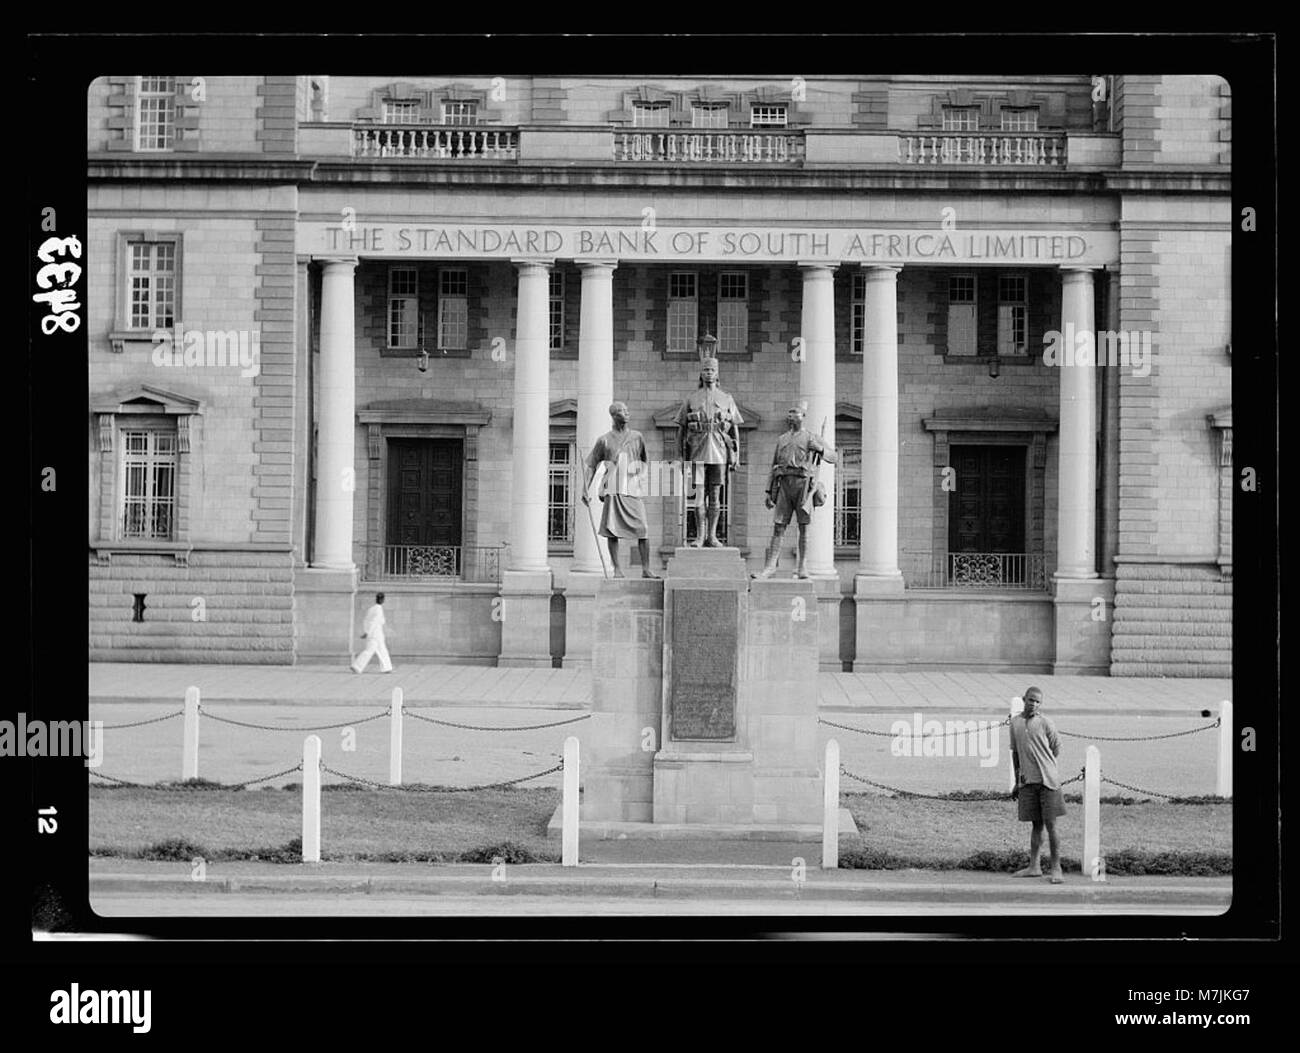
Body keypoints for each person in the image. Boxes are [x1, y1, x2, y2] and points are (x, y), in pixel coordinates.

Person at [754, 402, 837, 579]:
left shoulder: (811, 437)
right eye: (790, 413)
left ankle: (802, 567)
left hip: (803, 485)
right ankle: (770, 567)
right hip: (784, 484)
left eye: (795, 413)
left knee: (804, 528)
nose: (791, 415)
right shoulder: (782, 439)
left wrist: (820, 449)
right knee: (778, 527)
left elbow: (833, 457)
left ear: (803, 416)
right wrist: (769, 492)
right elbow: (773, 465)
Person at [581, 401, 659, 579]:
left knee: (643, 529)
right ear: (614, 416)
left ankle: (646, 568)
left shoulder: (637, 437)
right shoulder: (604, 440)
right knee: (612, 529)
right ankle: (617, 568)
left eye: (627, 411)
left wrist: (641, 479)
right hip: (613, 489)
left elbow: (645, 462)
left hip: (632, 489)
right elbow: (591, 465)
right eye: (622, 412)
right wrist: (585, 488)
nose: (627, 414)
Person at [675, 356, 742, 547]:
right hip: (697, 449)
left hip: (720, 450)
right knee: (698, 495)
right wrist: (680, 456)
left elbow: (735, 428)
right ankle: (699, 536)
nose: (709, 374)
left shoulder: (727, 398)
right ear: (701, 373)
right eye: (705, 370)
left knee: (714, 495)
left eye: (712, 370)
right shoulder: (691, 398)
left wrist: (736, 455)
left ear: (717, 373)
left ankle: (712, 536)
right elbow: (681, 429)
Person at [1009, 686, 1065, 883]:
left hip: (1048, 782)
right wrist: (1018, 781)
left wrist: (1046, 765)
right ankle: (1034, 866)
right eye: (1031, 700)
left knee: (1051, 825)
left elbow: (1056, 748)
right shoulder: (1015, 723)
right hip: (1028, 782)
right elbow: (1015, 753)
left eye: (1037, 701)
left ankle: (1056, 868)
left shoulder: (1045, 722)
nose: (1033, 704)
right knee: (1036, 825)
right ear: (1024, 699)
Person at [351, 592, 393, 674]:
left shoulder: (372, 609)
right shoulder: (378, 609)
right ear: (382, 600)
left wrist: (366, 631)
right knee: (372, 651)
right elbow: (374, 622)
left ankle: (387, 668)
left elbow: (366, 621)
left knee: (381, 650)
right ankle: (357, 666)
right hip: (376, 634)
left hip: (374, 634)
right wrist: (367, 632)